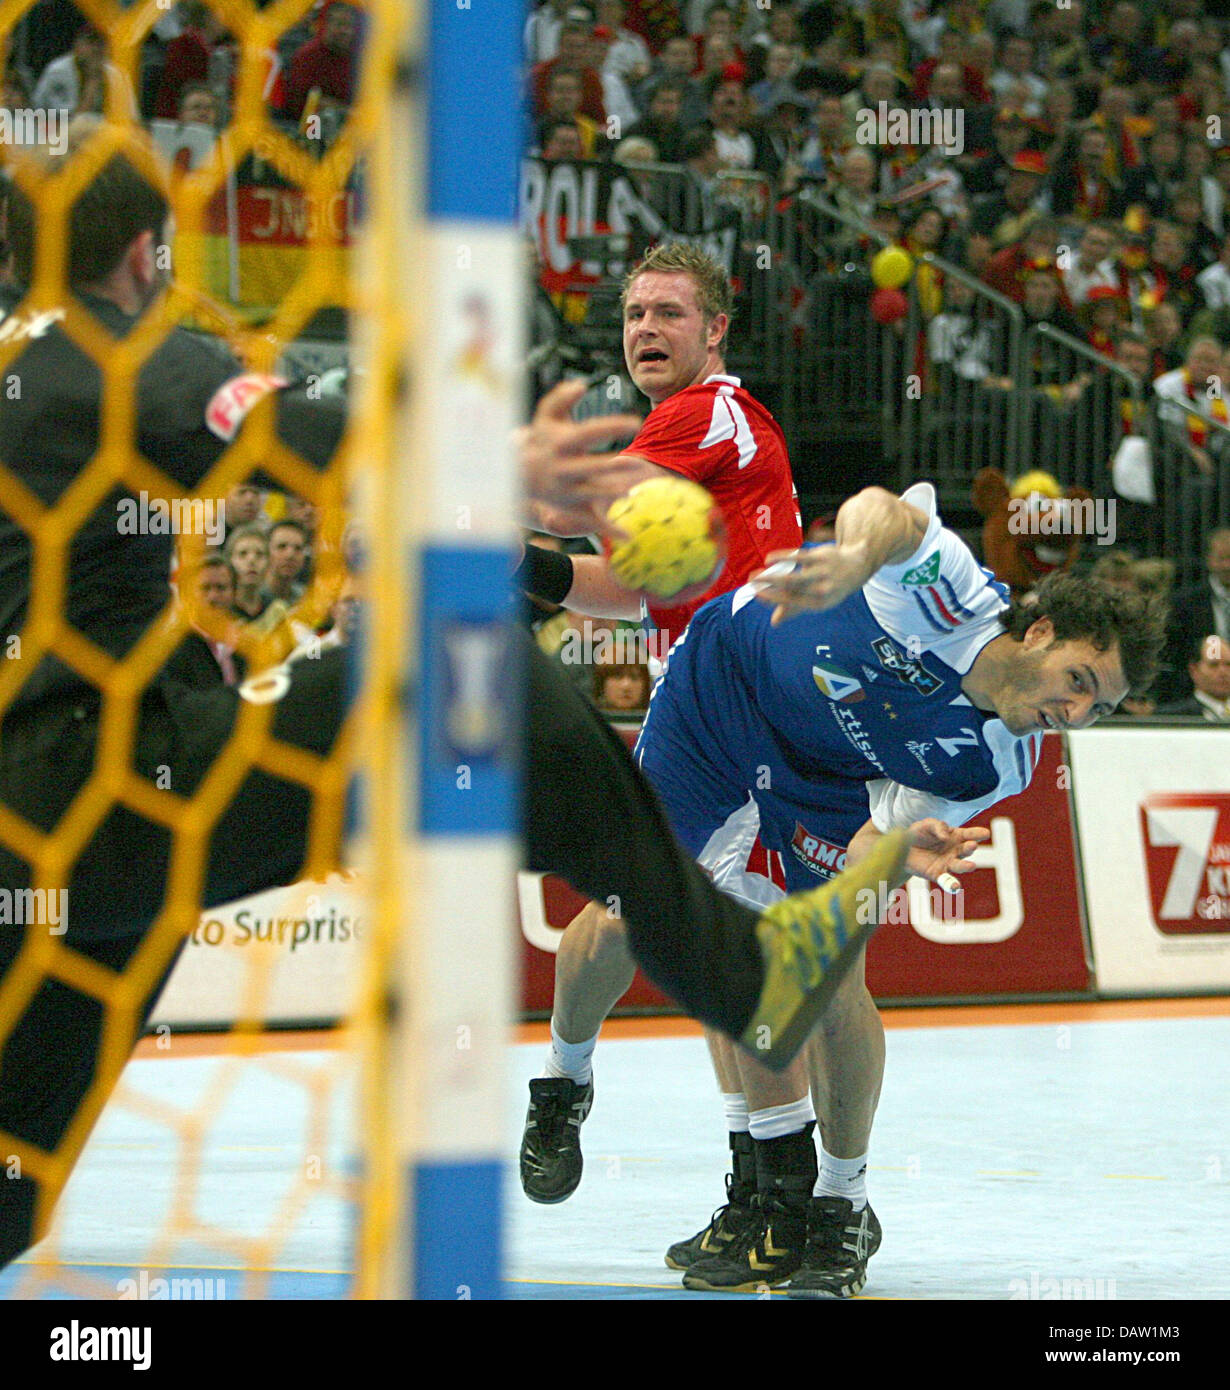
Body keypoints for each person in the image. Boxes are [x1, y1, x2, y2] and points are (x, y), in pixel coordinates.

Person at [0, 152, 909, 1272]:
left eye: (665, 311)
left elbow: (615, 580)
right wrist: (495, 463)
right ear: (148, 256)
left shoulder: (20, 368)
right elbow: (309, 443)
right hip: (112, 786)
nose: (644, 327)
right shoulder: (131, 352)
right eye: (636, 311)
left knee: (13, 1185)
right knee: (486, 678)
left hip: (44, 836)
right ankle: (739, 986)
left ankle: (734, 1133)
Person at [519, 475, 1165, 1297]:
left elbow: (870, 838)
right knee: (623, 914)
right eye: (1077, 681)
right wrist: (858, 557)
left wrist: (896, 853)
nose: (1073, 713)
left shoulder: (994, 764)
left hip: (823, 774)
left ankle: (837, 1202)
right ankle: (564, 1080)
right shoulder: (953, 599)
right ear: (1040, 633)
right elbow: (884, 512)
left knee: (819, 973)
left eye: (1098, 709)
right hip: (721, 691)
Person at [1160, 635, 1230, 721]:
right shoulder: (1170, 717)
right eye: (1213, 665)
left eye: (1228, 664)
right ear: (1194, 670)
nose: (1224, 672)